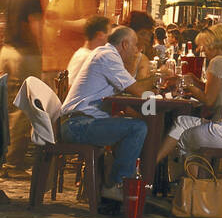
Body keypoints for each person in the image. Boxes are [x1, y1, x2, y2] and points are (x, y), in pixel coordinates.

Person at [60, 26, 171, 202]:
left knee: (132, 123)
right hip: (78, 125)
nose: (136, 50)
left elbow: (127, 92)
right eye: (135, 45)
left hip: (81, 121)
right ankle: (116, 186)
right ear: (125, 44)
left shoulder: (105, 55)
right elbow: (138, 90)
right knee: (137, 128)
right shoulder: (107, 56)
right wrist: (161, 75)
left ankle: (122, 183)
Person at [156, 24, 222, 163]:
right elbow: (217, 90)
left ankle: (190, 180)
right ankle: (158, 164)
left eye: (204, 46)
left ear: (214, 44)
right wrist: (193, 80)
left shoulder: (217, 62)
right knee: (182, 122)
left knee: (182, 137)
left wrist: (187, 85)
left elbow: (209, 100)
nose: (201, 50)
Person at [0, 0, 45, 177]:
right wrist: (40, 49)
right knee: (22, 111)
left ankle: (0, 161)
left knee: (4, 108)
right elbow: (35, 26)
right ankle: (13, 164)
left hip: (6, 52)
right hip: (25, 56)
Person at [67, 16, 112, 86]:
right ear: (100, 35)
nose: (110, 37)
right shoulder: (84, 56)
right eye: (109, 33)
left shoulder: (89, 54)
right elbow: (69, 85)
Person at [127, 11, 157, 82]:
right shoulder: (116, 57)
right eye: (142, 34)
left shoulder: (142, 59)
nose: (147, 38)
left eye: (149, 34)